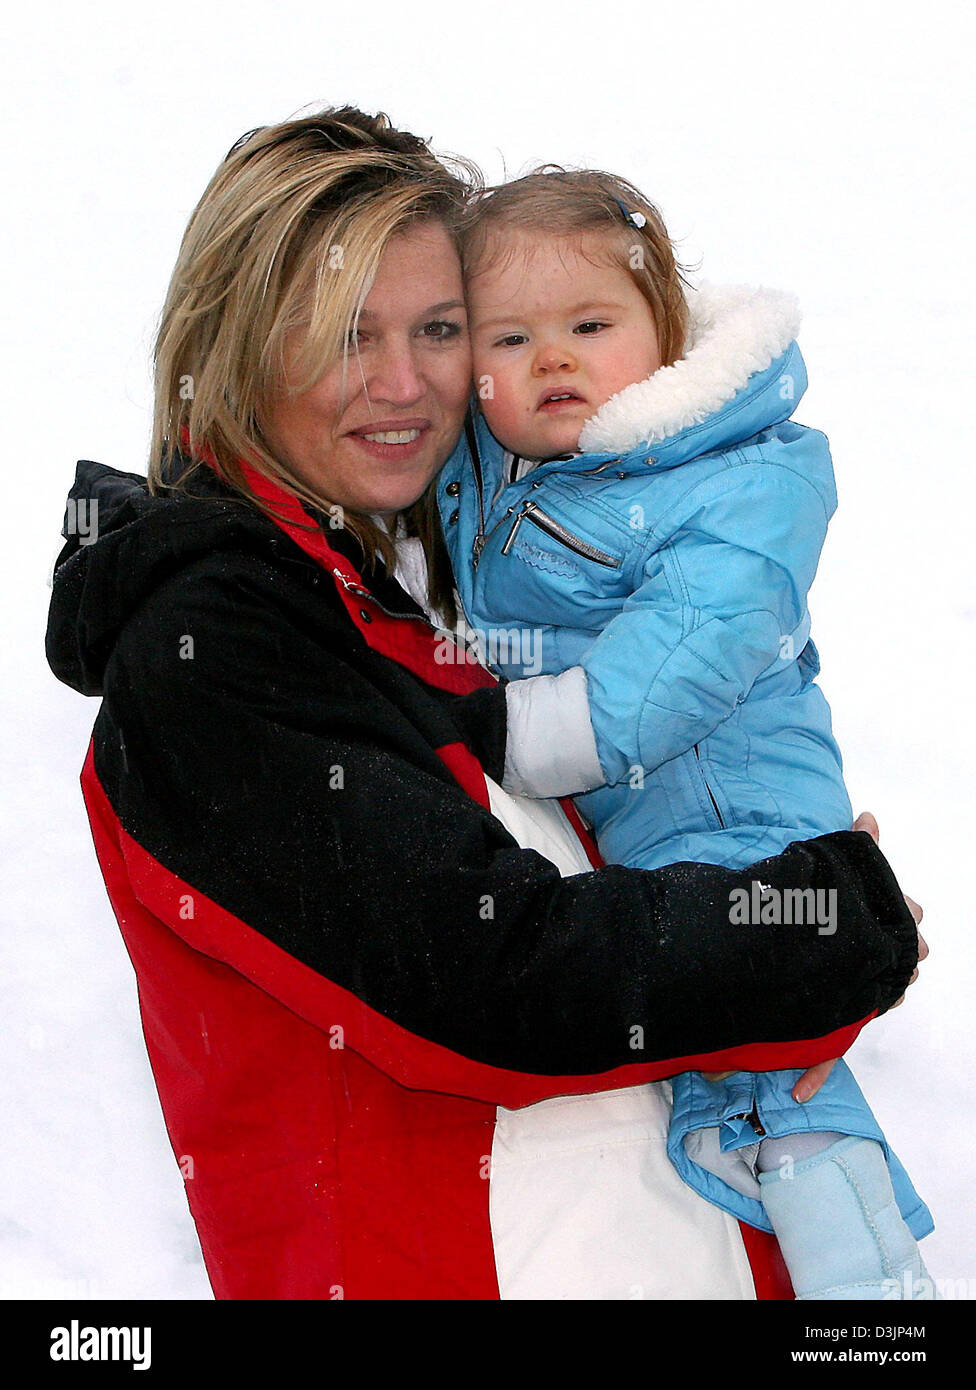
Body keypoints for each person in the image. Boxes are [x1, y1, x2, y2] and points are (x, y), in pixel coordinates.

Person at [45, 108, 925, 1301]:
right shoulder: (212, 642)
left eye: (442, 330)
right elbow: (494, 977)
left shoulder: (395, 600)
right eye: (348, 335)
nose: (405, 383)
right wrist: (814, 921)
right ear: (237, 341)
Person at [436, 167, 935, 1299]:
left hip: (733, 809)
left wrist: (507, 730)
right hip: (646, 815)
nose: (550, 357)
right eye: (510, 338)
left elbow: (674, 672)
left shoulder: (740, 480)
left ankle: (875, 1298)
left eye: (589, 325)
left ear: (664, 338)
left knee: (762, 1066)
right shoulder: (511, 467)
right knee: (719, 1052)